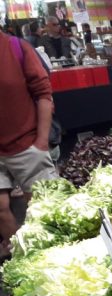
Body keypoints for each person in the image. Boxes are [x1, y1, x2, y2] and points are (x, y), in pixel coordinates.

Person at [0, 30, 57, 256]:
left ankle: (52, 256)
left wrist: (41, 141)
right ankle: (21, 258)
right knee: (1, 210)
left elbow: (44, 93)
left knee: (45, 209)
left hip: (27, 144)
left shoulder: (16, 47)